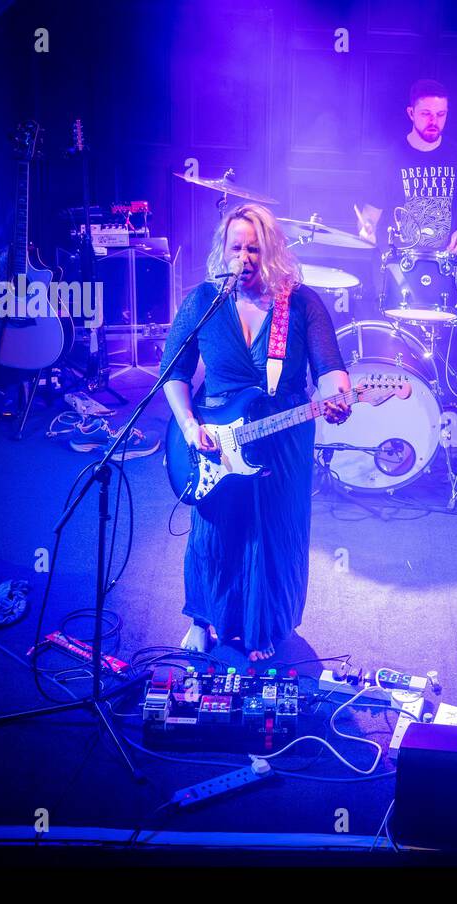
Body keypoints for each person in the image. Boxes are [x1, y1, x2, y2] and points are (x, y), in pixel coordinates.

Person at [161, 204, 351, 660]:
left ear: (271, 252)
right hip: (212, 436)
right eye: (236, 248)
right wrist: (189, 426)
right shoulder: (204, 301)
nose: (244, 257)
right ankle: (203, 618)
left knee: (272, 531)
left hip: (282, 438)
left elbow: (330, 369)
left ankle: (262, 624)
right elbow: (175, 373)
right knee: (214, 529)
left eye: (254, 248)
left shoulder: (300, 303)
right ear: (222, 252)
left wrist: (339, 395)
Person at [355, 78, 457, 253]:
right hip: (398, 260)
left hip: (442, 260)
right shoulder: (388, 159)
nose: (434, 121)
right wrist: (366, 227)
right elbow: (370, 214)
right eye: (426, 114)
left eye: (440, 114)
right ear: (411, 113)